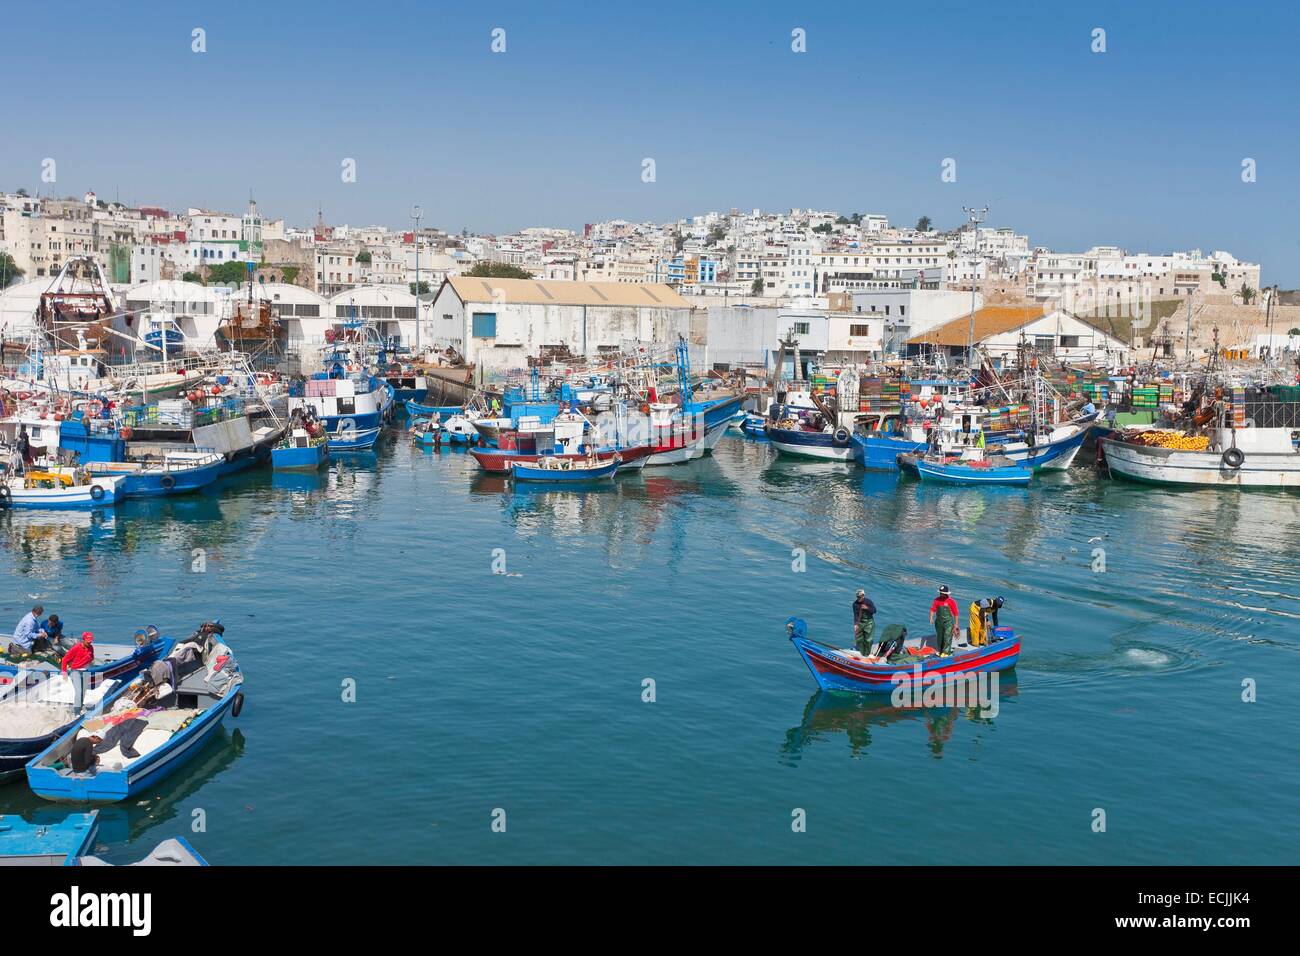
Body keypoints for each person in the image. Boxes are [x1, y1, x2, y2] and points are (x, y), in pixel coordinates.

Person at [929, 586, 959, 657]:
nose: (941, 594)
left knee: (947, 636)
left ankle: (946, 652)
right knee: (940, 637)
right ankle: (941, 650)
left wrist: (956, 624)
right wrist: (931, 617)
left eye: (942, 593)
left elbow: (956, 613)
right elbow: (933, 609)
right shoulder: (936, 600)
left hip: (948, 622)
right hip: (939, 622)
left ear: (946, 594)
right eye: (940, 593)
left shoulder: (951, 601)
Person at [852, 589, 877, 655]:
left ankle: (867, 653)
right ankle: (859, 650)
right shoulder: (855, 604)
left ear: (863, 596)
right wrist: (855, 624)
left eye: (860, 597)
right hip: (860, 622)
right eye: (857, 597)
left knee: (868, 639)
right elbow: (856, 615)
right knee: (859, 637)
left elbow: (874, 611)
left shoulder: (868, 602)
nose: (858, 598)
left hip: (869, 622)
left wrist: (867, 608)